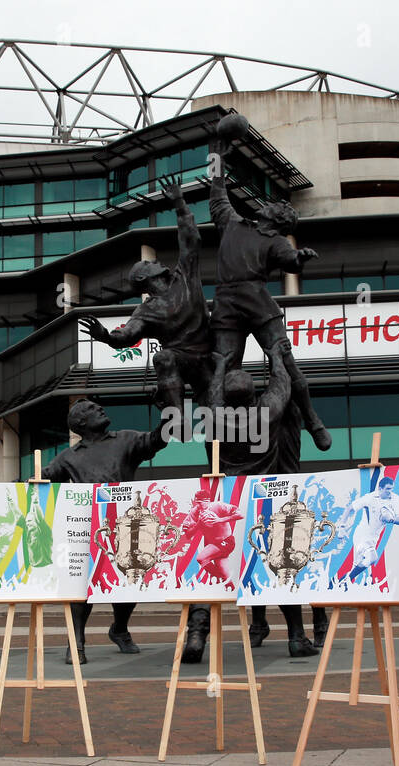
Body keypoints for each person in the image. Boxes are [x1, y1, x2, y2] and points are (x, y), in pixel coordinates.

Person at [181, 346, 325, 661]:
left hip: (226, 503)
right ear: (252, 397)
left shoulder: (215, 417)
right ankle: (297, 637)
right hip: (261, 502)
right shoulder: (266, 413)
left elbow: (213, 396)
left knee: (207, 571)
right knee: (280, 564)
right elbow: (282, 385)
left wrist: (218, 365)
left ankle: (196, 634)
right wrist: (275, 356)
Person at [205, 152, 331, 451]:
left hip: (257, 301)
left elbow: (289, 260)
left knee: (286, 362)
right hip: (225, 304)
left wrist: (299, 259)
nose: (271, 204)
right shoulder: (232, 223)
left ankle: (312, 420)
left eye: (278, 206)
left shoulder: (276, 242)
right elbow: (218, 196)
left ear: (279, 220)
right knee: (223, 367)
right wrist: (219, 155)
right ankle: (227, 436)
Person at [45, 399, 168, 663]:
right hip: (87, 529)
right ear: (80, 423)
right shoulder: (68, 457)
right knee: (82, 587)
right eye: (90, 409)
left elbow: (157, 440)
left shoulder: (125, 439)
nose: (99, 408)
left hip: (125, 526)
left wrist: (169, 413)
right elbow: (44, 480)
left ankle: (119, 628)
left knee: (127, 584)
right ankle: (76, 641)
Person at [78, 175, 212, 412]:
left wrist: (180, 204)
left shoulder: (185, 276)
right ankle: (177, 417)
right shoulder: (146, 310)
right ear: (142, 279)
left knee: (220, 418)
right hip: (184, 361)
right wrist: (106, 336)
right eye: (149, 263)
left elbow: (190, 239)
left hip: (213, 354)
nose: (156, 261)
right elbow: (128, 335)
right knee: (163, 357)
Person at [337, 477, 399, 586]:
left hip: (373, 538)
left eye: (391, 489)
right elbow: (349, 508)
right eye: (387, 489)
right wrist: (341, 528)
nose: (390, 492)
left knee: (356, 567)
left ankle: (341, 583)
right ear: (380, 488)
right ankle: (346, 581)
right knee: (372, 557)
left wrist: (391, 519)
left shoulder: (394, 498)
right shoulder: (370, 498)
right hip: (362, 535)